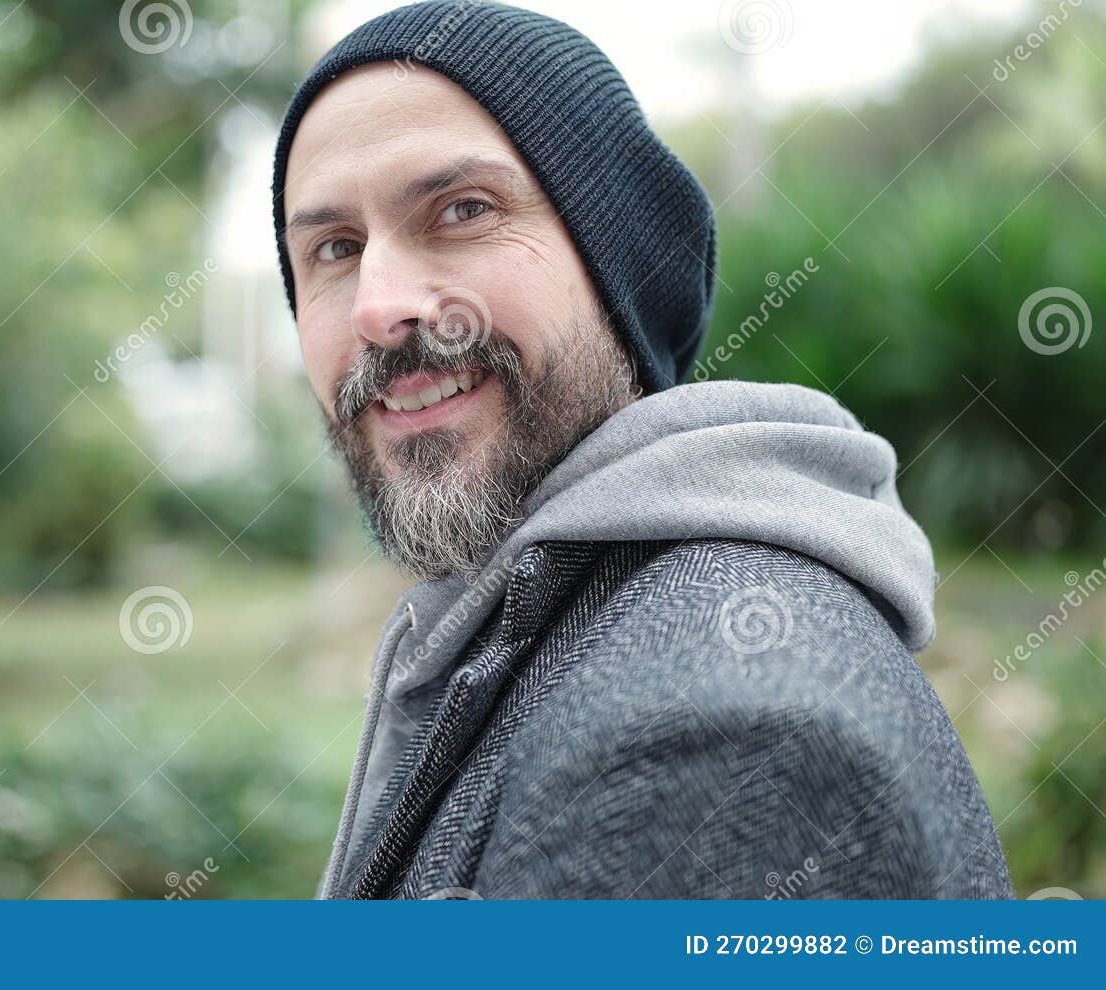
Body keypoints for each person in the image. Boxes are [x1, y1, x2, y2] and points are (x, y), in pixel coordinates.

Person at [270, 1, 1011, 899]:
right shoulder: (552, 625)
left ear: (621, 267)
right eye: (335, 247)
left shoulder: (725, 722)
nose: (375, 307)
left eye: (463, 210)